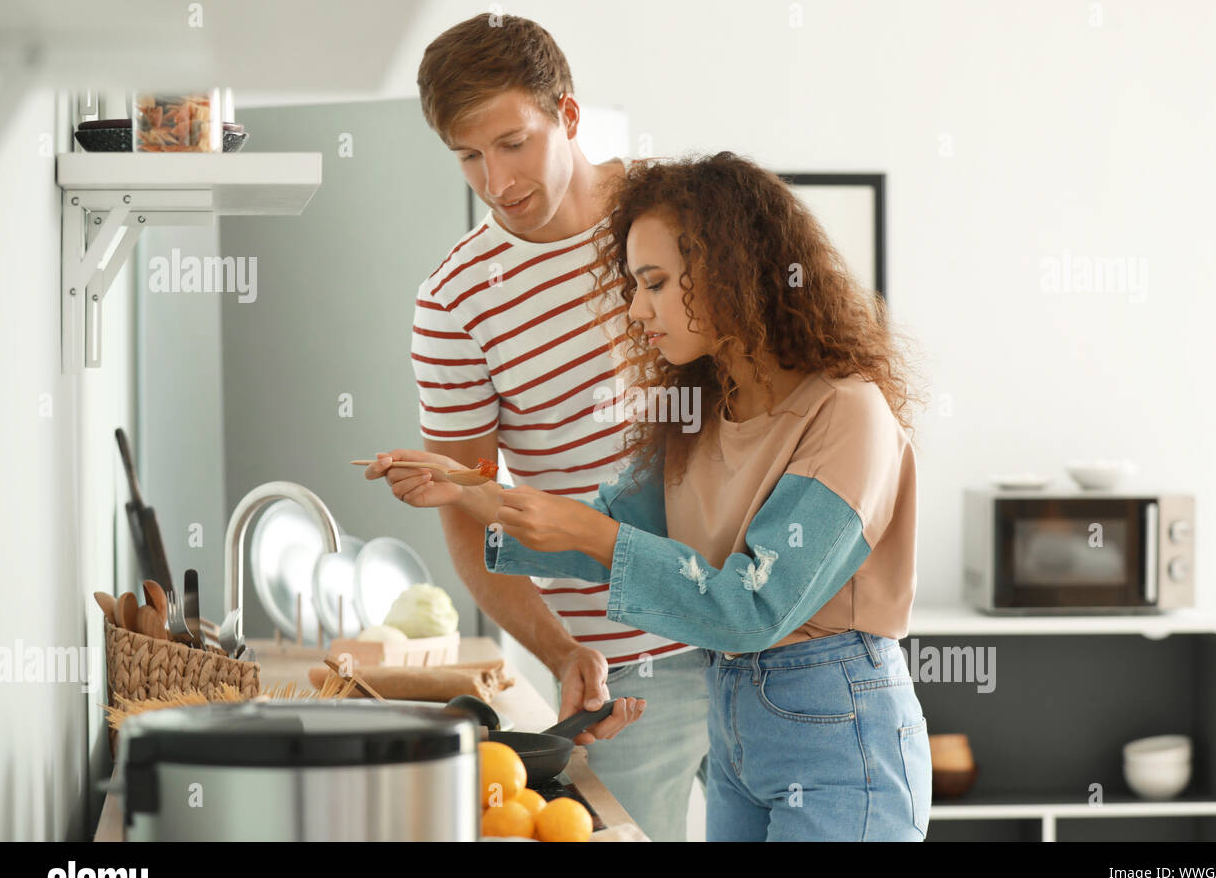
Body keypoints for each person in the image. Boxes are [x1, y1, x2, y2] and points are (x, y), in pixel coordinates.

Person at [383, 151, 933, 841]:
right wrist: (464, 492)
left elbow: (750, 608)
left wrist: (587, 533)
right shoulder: (701, 409)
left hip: (842, 738)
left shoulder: (848, 416)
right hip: (739, 729)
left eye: (655, 283)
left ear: (733, 273)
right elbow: (604, 525)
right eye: (634, 285)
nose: (637, 310)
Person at [364, 13, 709, 842]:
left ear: (570, 115)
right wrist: (560, 654)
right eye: (469, 156)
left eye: (513, 142)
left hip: (762, 637)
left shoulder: (684, 218)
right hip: (620, 678)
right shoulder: (454, 302)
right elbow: (466, 505)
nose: (496, 178)